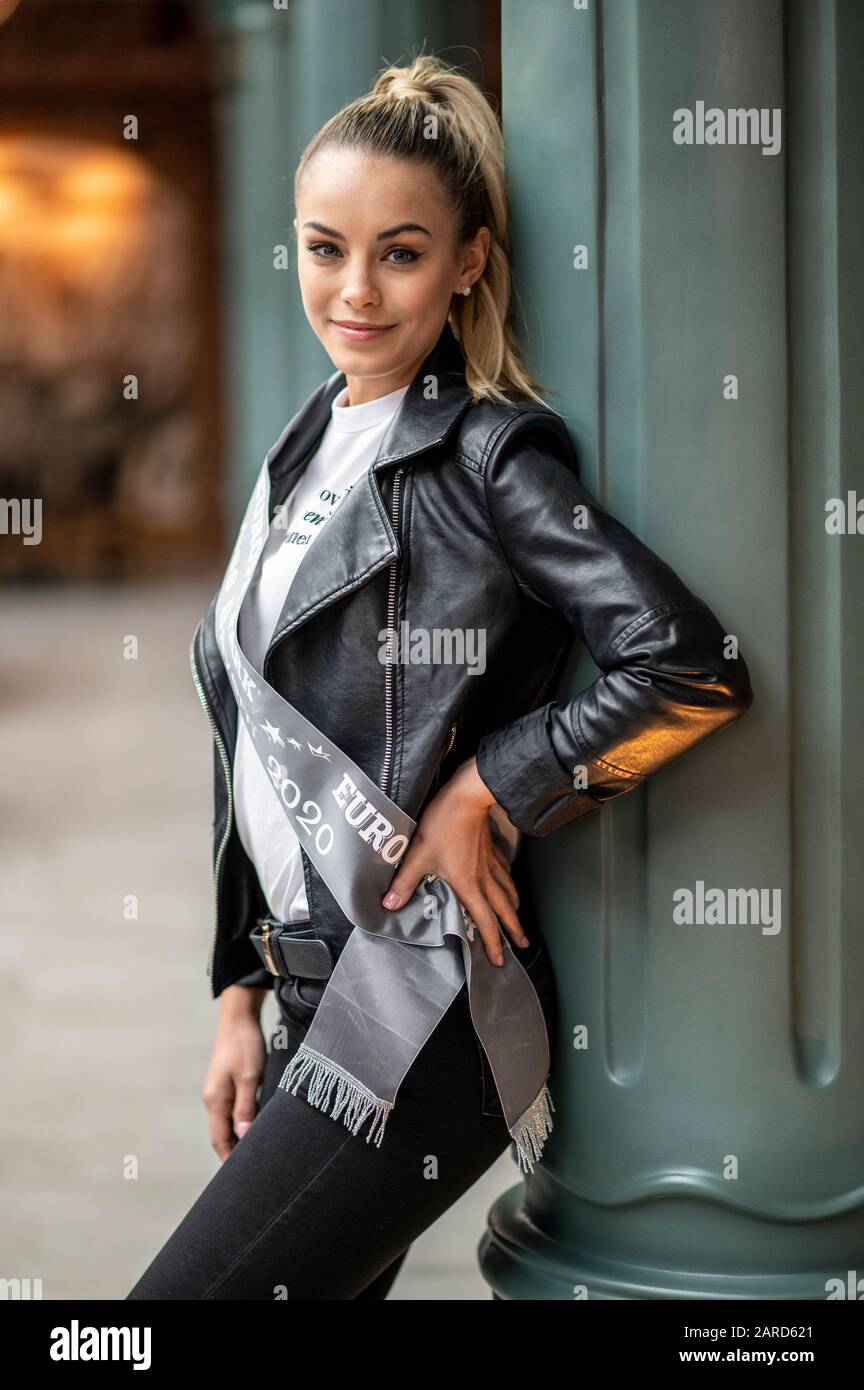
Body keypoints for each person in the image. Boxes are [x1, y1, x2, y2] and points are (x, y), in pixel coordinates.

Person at [126, 52, 753, 1301]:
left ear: (469, 260)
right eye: (324, 247)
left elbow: (690, 661)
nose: (354, 290)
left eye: (401, 253)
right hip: (308, 992)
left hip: (420, 1009)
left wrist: (493, 784)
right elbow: (244, 740)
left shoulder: (487, 457)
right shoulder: (304, 447)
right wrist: (238, 991)